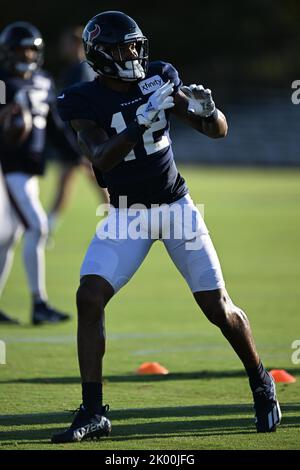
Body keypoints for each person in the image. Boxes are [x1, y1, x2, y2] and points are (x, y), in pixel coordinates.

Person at [51, 11, 281, 443]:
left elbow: (217, 131)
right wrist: (140, 118)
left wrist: (208, 112)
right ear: (101, 56)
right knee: (89, 295)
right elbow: (100, 158)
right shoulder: (80, 99)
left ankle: (261, 382)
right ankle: (94, 410)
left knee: (218, 307)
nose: (133, 54)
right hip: (125, 215)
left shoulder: (158, 77)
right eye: (122, 48)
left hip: (176, 207)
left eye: (135, 45)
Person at [0, 21, 76, 325]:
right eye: (21, 50)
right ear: (8, 53)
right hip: (6, 170)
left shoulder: (44, 81)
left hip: (29, 172)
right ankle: (39, 304)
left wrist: (77, 154)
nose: (27, 55)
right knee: (37, 227)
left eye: (32, 50)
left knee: (8, 238)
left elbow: (55, 126)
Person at [47, 26, 109, 236]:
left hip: (80, 139)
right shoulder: (82, 68)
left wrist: (80, 142)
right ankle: (115, 218)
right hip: (79, 139)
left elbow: (81, 109)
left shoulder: (81, 70)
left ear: (75, 45)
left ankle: (48, 225)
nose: (62, 48)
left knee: (92, 180)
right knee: (87, 180)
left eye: (66, 43)